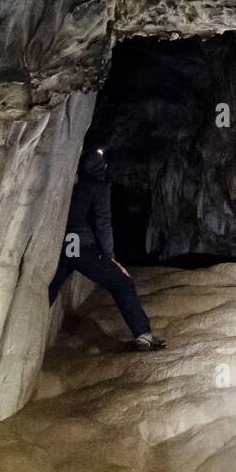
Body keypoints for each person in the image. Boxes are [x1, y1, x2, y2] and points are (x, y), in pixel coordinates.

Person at [48, 147, 164, 352]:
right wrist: (109, 256)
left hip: (60, 247)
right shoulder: (99, 186)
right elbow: (103, 223)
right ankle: (143, 335)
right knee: (122, 282)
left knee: (47, 290)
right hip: (83, 247)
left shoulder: (69, 184)